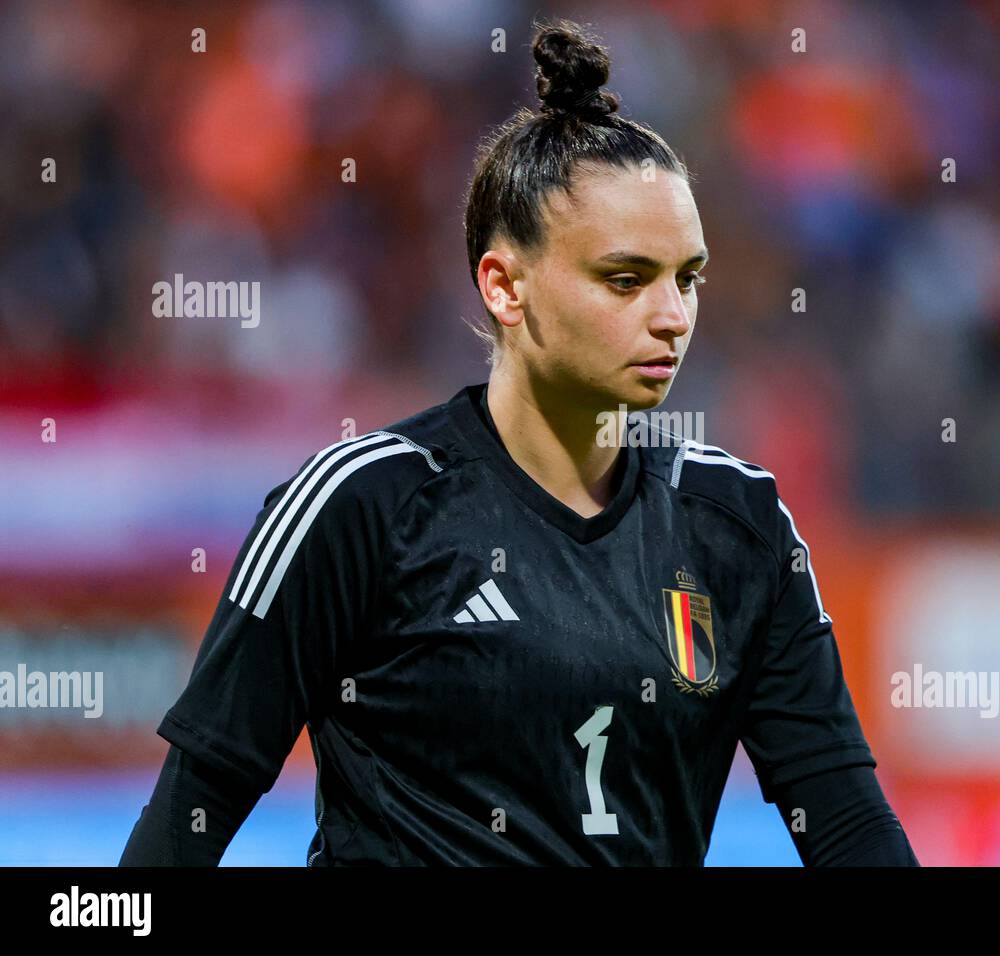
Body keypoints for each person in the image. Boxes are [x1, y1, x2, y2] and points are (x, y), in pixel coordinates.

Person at [120, 18, 918, 867]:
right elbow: (188, 818)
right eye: (626, 278)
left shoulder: (740, 527)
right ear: (505, 285)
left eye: (688, 278)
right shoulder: (360, 507)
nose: (673, 316)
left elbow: (847, 825)